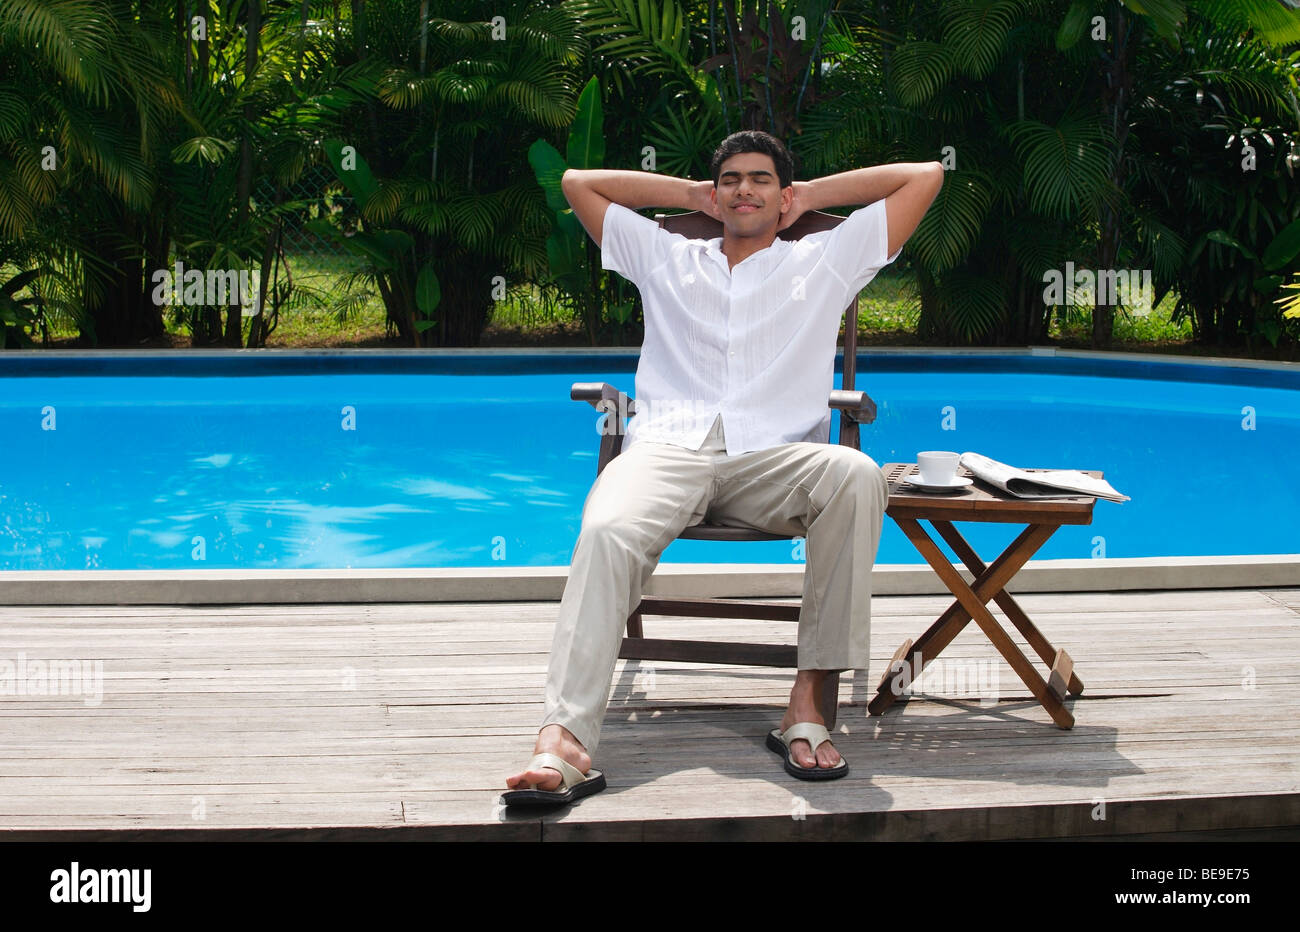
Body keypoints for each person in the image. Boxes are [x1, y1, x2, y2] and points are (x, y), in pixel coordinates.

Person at [503, 130, 943, 805]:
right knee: (606, 528)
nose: (745, 190)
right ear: (714, 193)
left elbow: (924, 174)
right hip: (666, 451)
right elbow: (577, 184)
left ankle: (807, 703)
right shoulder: (665, 256)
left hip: (772, 460)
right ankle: (565, 739)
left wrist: (810, 199)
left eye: (762, 179)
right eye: (732, 179)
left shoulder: (824, 260)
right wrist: (687, 197)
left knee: (855, 475)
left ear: (783, 194)